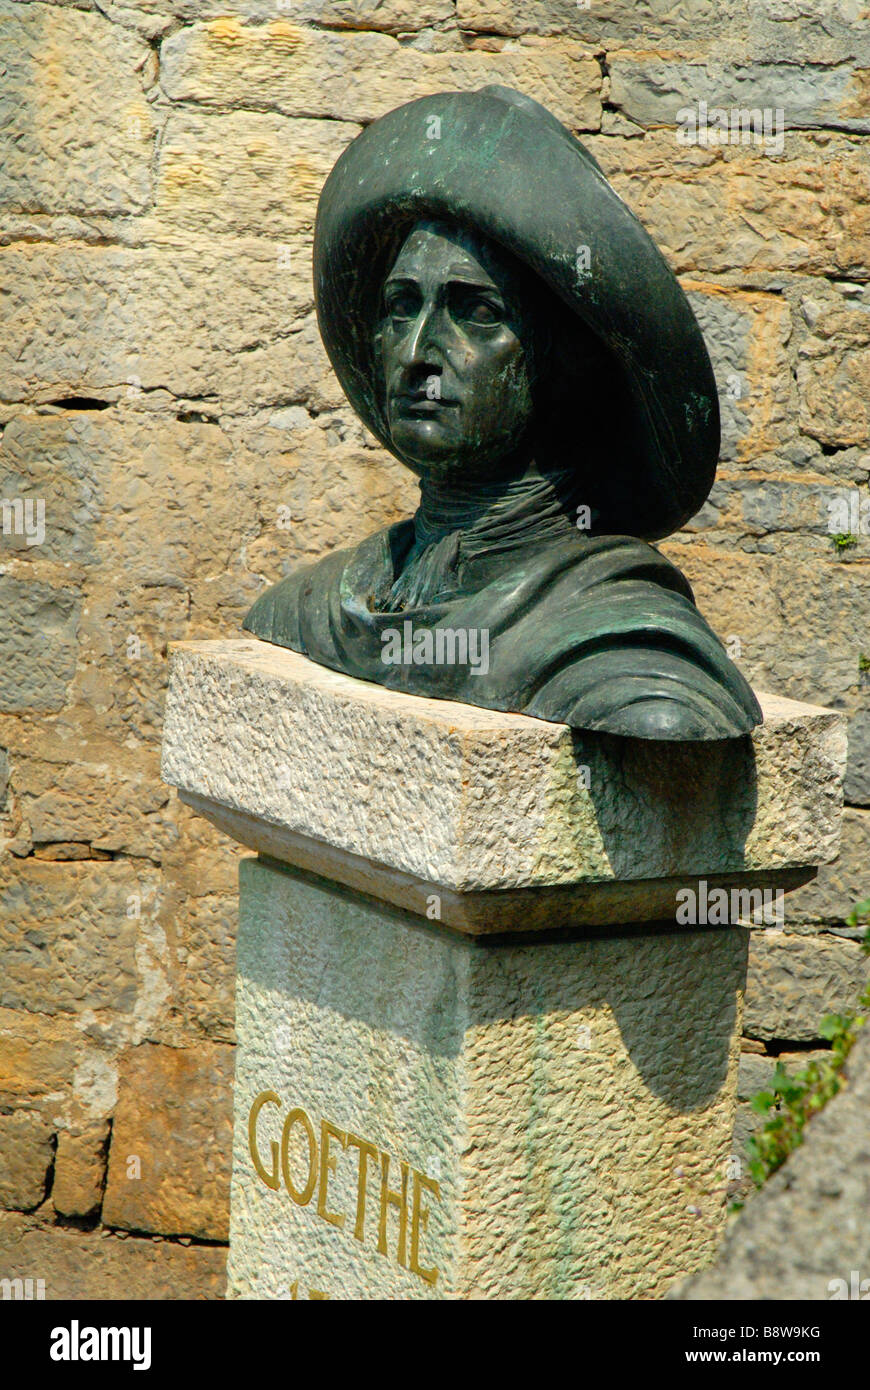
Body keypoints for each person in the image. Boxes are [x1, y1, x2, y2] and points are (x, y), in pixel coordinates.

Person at [244, 86, 761, 741]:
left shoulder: (628, 661)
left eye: (477, 312)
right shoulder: (311, 613)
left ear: (560, 365)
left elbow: (666, 722)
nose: (417, 353)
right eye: (402, 306)